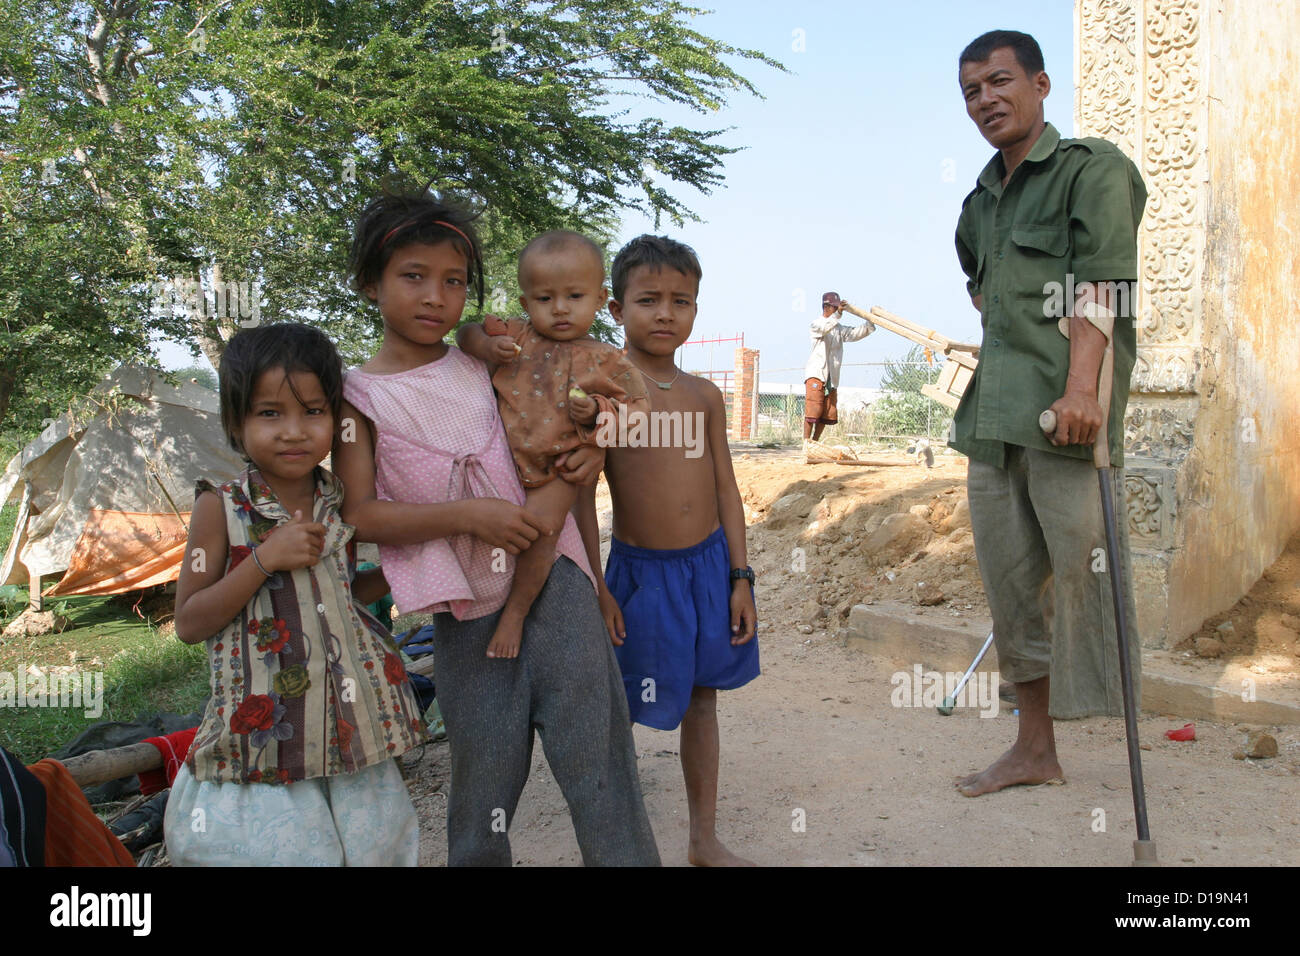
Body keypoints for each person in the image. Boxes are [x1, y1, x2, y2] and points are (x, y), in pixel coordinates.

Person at [331, 192, 660, 866]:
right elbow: (360, 513)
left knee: (600, 767)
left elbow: (573, 431)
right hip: (466, 608)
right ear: (371, 283)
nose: (436, 297)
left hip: (557, 579)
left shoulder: (493, 360)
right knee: (483, 785)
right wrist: (466, 516)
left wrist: (596, 446)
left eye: (454, 281)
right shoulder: (357, 396)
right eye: (413, 276)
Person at [950, 30, 1146, 796]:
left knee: (1089, 580)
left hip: (1068, 425)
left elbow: (1103, 286)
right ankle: (1034, 751)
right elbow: (980, 288)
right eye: (971, 91)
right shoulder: (978, 201)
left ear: (1040, 85)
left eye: (1000, 82)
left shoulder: (1091, 172)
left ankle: (1115, 736)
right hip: (992, 424)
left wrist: (1080, 390)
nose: (986, 100)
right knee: (1011, 591)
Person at [166, 322, 424, 866]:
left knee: (373, 852)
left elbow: (343, 594)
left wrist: (412, 572)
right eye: (269, 413)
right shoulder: (221, 507)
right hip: (268, 742)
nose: (293, 431)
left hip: (353, 736)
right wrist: (263, 559)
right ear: (237, 421)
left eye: (313, 411)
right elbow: (189, 622)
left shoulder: (341, 502)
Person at [576, 234, 759, 866]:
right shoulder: (604, 397)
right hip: (639, 576)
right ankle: (615, 845)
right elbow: (578, 500)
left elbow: (727, 489)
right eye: (648, 299)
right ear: (615, 308)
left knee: (702, 701)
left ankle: (702, 839)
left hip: (707, 570)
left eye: (681, 301)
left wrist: (741, 576)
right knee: (620, 706)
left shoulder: (704, 397)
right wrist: (598, 587)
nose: (665, 314)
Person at [455, 230, 648, 660]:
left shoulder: (610, 360)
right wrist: (486, 344)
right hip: (499, 463)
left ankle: (517, 613)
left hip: (559, 468)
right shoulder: (519, 338)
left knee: (541, 532)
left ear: (599, 299)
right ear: (526, 304)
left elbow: (639, 413)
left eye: (574, 296)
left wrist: (600, 412)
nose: (560, 308)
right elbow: (464, 333)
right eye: (544, 299)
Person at [804, 291, 873, 444]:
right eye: (834, 308)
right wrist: (839, 314)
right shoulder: (816, 324)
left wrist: (870, 322)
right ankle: (806, 443)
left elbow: (855, 333)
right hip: (817, 373)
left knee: (826, 413)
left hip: (832, 377)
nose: (836, 311)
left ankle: (815, 442)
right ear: (826, 307)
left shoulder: (838, 328)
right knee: (813, 411)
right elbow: (825, 328)